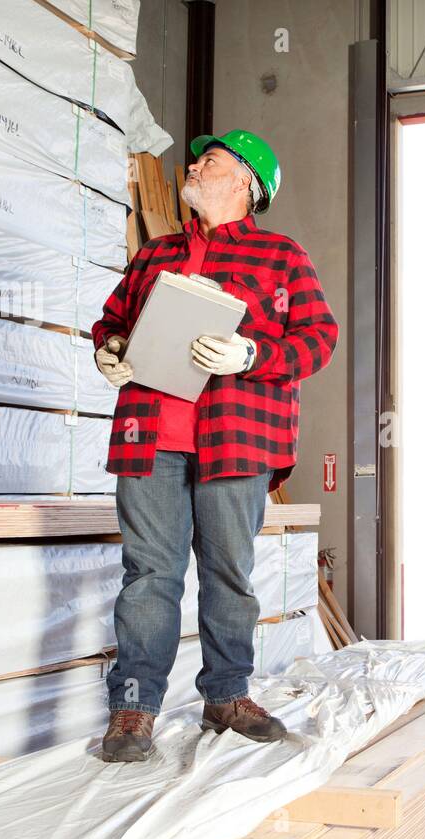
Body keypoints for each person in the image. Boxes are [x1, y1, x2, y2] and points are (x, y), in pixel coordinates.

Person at [91, 130, 338, 761]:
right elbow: (112, 320)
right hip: (152, 435)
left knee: (229, 574)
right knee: (149, 574)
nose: (196, 165)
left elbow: (319, 339)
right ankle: (134, 708)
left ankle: (226, 695)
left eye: (213, 160)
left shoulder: (281, 257)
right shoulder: (157, 255)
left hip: (236, 438)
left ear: (247, 185)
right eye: (199, 158)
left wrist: (252, 353)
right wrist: (110, 351)